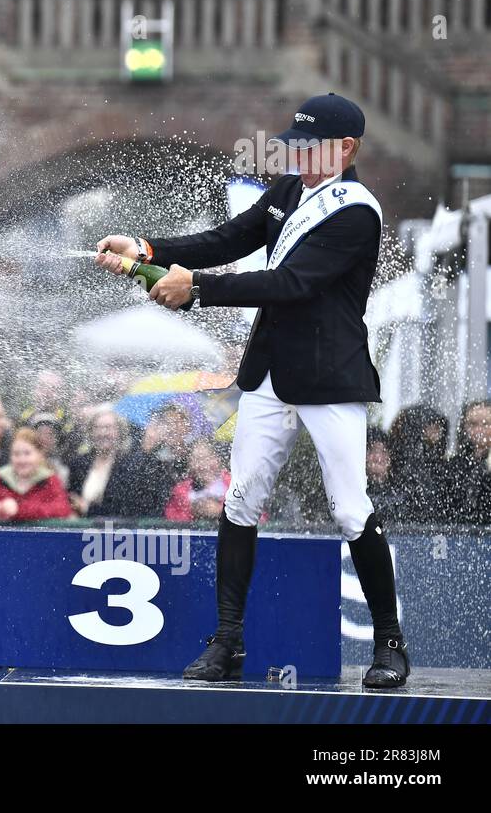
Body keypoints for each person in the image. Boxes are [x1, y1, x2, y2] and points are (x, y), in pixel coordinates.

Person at [97, 93, 409, 688]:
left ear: (346, 149)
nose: (297, 153)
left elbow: (292, 282)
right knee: (240, 501)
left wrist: (198, 290)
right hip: (269, 372)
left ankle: (390, 642)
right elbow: (231, 237)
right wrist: (149, 250)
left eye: (311, 145)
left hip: (327, 378)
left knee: (350, 508)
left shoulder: (357, 212)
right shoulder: (292, 190)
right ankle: (227, 641)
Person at [0, 428, 72, 523]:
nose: (21, 459)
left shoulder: (50, 480)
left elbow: (63, 510)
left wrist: (20, 509)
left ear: (39, 454)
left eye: (27, 453)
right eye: (16, 454)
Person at [66, 408, 161, 517]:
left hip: (116, 531)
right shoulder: (79, 463)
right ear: (91, 432)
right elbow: (71, 497)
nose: (103, 433)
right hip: (80, 530)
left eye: (108, 427)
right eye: (97, 428)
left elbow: (125, 507)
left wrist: (87, 508)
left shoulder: (130, 465)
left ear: (120, 432)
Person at [387, 404, 452, 521]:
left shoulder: (444, 468)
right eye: (431, 427)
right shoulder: (398, 467)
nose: (437, 433)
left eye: (439, 427)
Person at [444, 401, 491, 525]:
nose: (479, 430)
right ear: (464, 427)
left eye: (486, 424)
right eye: (473, 424)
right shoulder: (454, 465)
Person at [164, 439, 229, 522]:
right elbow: (170, 518)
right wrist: (192, 512)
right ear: (190, 464)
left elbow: (244, 513)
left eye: (207, 458)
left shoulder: (232, 484)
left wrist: (220, 511)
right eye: (197, 459)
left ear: (218, 459)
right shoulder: (181, 490)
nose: (202, 465)